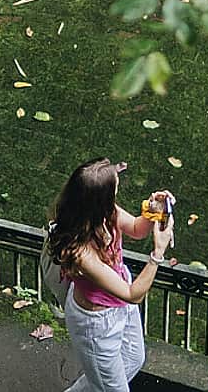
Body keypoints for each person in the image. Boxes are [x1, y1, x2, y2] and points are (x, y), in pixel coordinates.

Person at [47, 158, 176, 392]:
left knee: (133, 359)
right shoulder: (80, 252)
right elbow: (133, 294)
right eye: (115, 187)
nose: (118, 190)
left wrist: (152, 212)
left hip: (119, 304)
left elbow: (136, 228)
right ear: (101, 199)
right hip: (97, 324)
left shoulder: (105, 212)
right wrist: (158, 253)